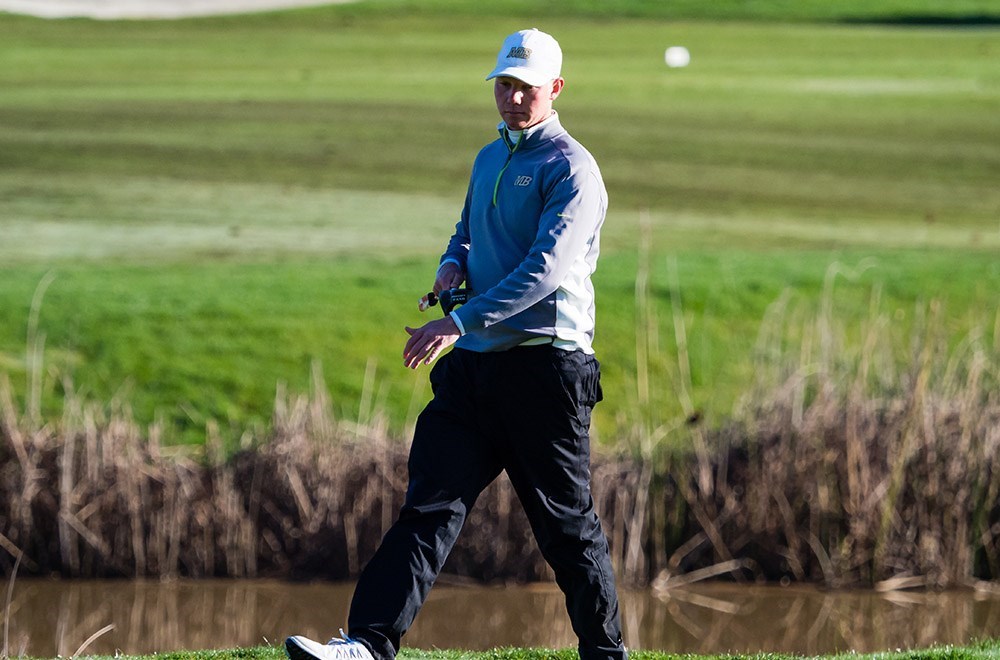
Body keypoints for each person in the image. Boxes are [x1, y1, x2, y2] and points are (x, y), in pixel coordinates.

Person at [286, 28, 627, 660]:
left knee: (565, 528)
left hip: (545, 371)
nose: (513, 98)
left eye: (526, 88)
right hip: (474, 371)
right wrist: (452, 264)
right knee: (429, 506)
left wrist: (456, 322)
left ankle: (606, 655)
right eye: (504, 85)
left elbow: (543, 272)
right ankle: (366, 644)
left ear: (554, 89)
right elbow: (466, 232)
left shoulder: (573, 169)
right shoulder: (488, 158)